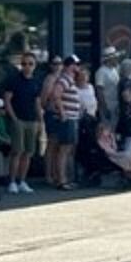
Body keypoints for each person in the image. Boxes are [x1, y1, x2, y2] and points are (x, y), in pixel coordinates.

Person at [2, 51, 44, 194]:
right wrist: (14, 119)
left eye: (30, 64)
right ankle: (12, 181)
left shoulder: (36, 82)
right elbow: (7, 100)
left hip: (32, 120)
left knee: (29, 152)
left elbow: (37, 102)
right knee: (17, 152)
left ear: (35, 65)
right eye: (24, 64)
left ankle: (22, 181)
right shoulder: (14, 80)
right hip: (18, 120)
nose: (27, 67)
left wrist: (40, 121)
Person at [52, 56, 83, 190]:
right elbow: (56, 94)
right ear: (70, 66)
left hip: (72, 118)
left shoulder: (71, 80)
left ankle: (65, 178)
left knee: (68, 149)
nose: (78, 67)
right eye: (76, 64)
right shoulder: (64, 79)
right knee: (63, 150)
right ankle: (61, 180)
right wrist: (63, 112)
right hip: (67, 119)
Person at [40, 54, 65, 186]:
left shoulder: (63, 78)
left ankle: (57, 173)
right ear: (51, 66)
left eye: (60, 63)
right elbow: (43, 99)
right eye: (55, 63)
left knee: (59, 146)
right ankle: (48, 175)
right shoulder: (50, 79)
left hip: (61, 115)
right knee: (51, 145)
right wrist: (48, 108)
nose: (58, 66)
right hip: (52, 114)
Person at [94, 46, 122, 127]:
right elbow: (99, 91)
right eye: (115, 58)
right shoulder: (101, 72)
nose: (117, 59)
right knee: (107, 130)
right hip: (108, 106)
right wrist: (104, 108)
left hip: (116, 106)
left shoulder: (115, 70)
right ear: (109, 59)